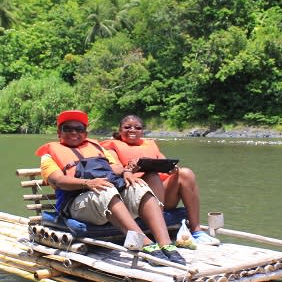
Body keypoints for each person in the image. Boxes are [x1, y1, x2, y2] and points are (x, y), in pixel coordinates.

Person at [36, 110, 187, 265]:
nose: (74, 132)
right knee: (105, 190)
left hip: (106, 194)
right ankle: (143, 243)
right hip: (76, 205)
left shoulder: (98, 148)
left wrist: (127, 172)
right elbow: (58, 180)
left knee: (139, 186)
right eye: (68, 129)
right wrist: (88, 183)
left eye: (79, 129)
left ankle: (165, 243)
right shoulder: (48, 157)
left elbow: (115, 168)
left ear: (85, 133)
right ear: (58, 133)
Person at [101, 114, 221, 245]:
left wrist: (173, 169)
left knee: (186, 173)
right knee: (152, 176)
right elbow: (114, 169)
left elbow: (165, 163)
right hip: (133, 197)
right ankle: (159, 229)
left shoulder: (150, 145)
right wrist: (129, 170)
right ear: (119, 130)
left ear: (142, 131)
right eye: (127, 127)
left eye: (137, 127)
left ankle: (196, 231)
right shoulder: (111, 147)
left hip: (161, 197)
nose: (132, 130)